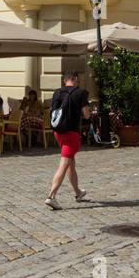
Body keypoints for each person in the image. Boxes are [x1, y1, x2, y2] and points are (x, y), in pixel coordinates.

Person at [45, 72, 93, 209]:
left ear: (64, 80)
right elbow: (86, 114)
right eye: (77, 80)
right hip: (72, 133)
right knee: (64, 163)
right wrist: (88, 113)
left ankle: (78, 193)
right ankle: (51, 196)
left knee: (71, 163)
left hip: (58, 132)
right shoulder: (81, 93)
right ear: (74, 79)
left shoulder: (57, 92)